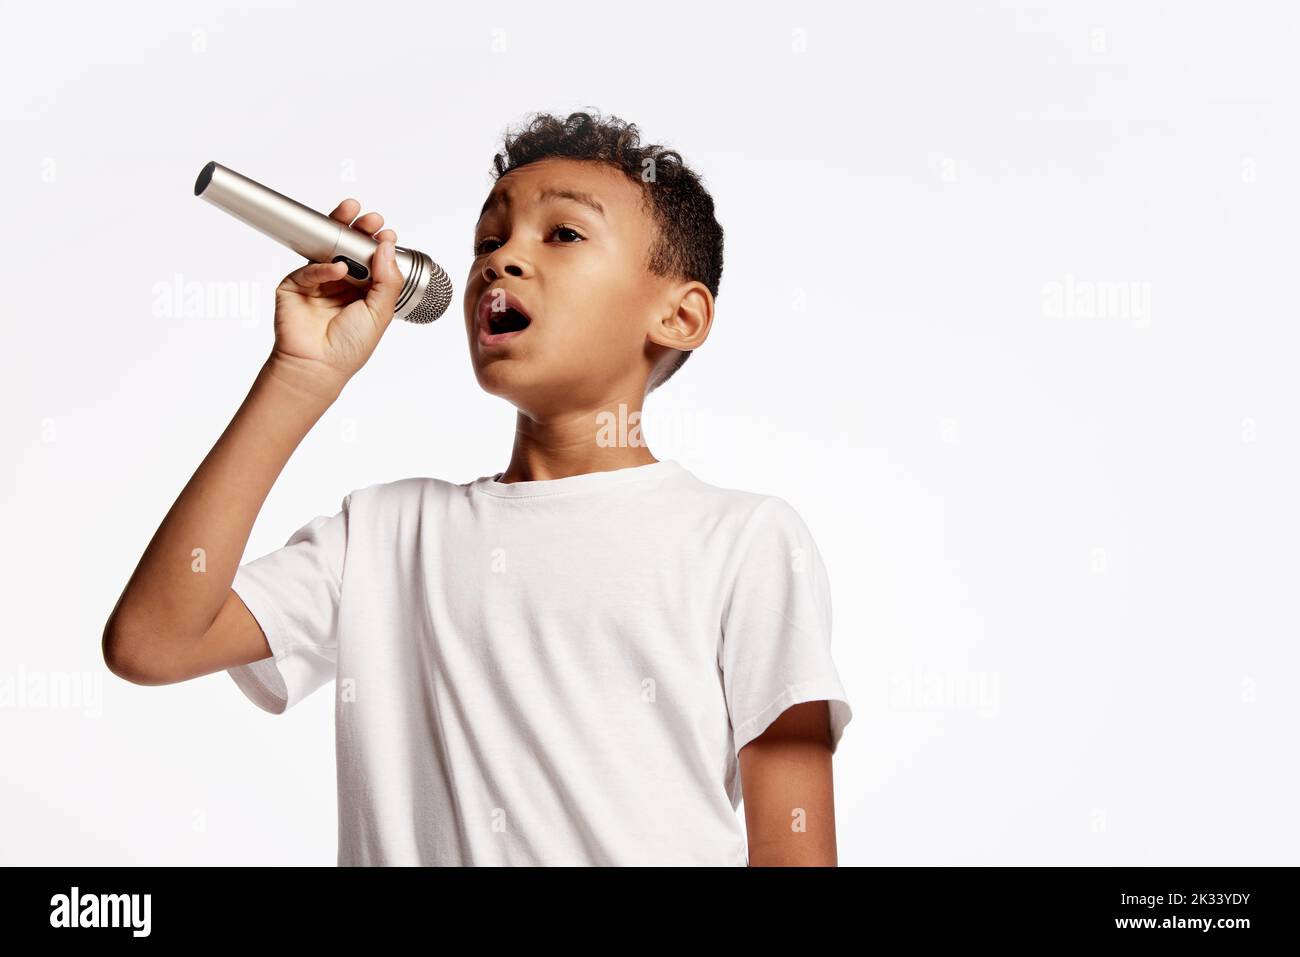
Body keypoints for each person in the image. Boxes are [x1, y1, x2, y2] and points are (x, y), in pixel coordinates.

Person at [102, 110, 853, 866]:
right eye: (488, 242)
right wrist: (300, 377)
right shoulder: (387, 534)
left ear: (679, 314)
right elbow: (152, 641)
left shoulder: (742, 541)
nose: (501, 261)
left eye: (562, 234)